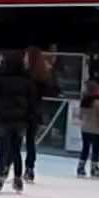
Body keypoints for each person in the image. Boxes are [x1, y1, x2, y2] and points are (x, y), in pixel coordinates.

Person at [0, 52, 39, 194]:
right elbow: (32, 102)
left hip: (4, 118)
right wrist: (31, 117)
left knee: (3, 149)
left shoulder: (0, 80)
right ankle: (17, 178)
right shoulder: (27, 81)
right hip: (20, 119)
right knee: (16, 149)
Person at [22, 47, 58, 182]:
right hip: (34, 111)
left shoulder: (27, 75)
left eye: (26, 56)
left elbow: (53, 90)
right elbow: (53, 90)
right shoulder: (42, 76)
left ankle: (17, 166)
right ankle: (29, 168)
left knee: (21, 139)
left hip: (25, 110)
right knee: (30, 141)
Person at [78, 80, 99, 179]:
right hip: (96, 129)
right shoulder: (97, 103)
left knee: (85, 148)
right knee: (95, 149)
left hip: (85, 129)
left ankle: (81, 167)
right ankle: (94, 168)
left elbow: (80, 116)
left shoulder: (84, 102)